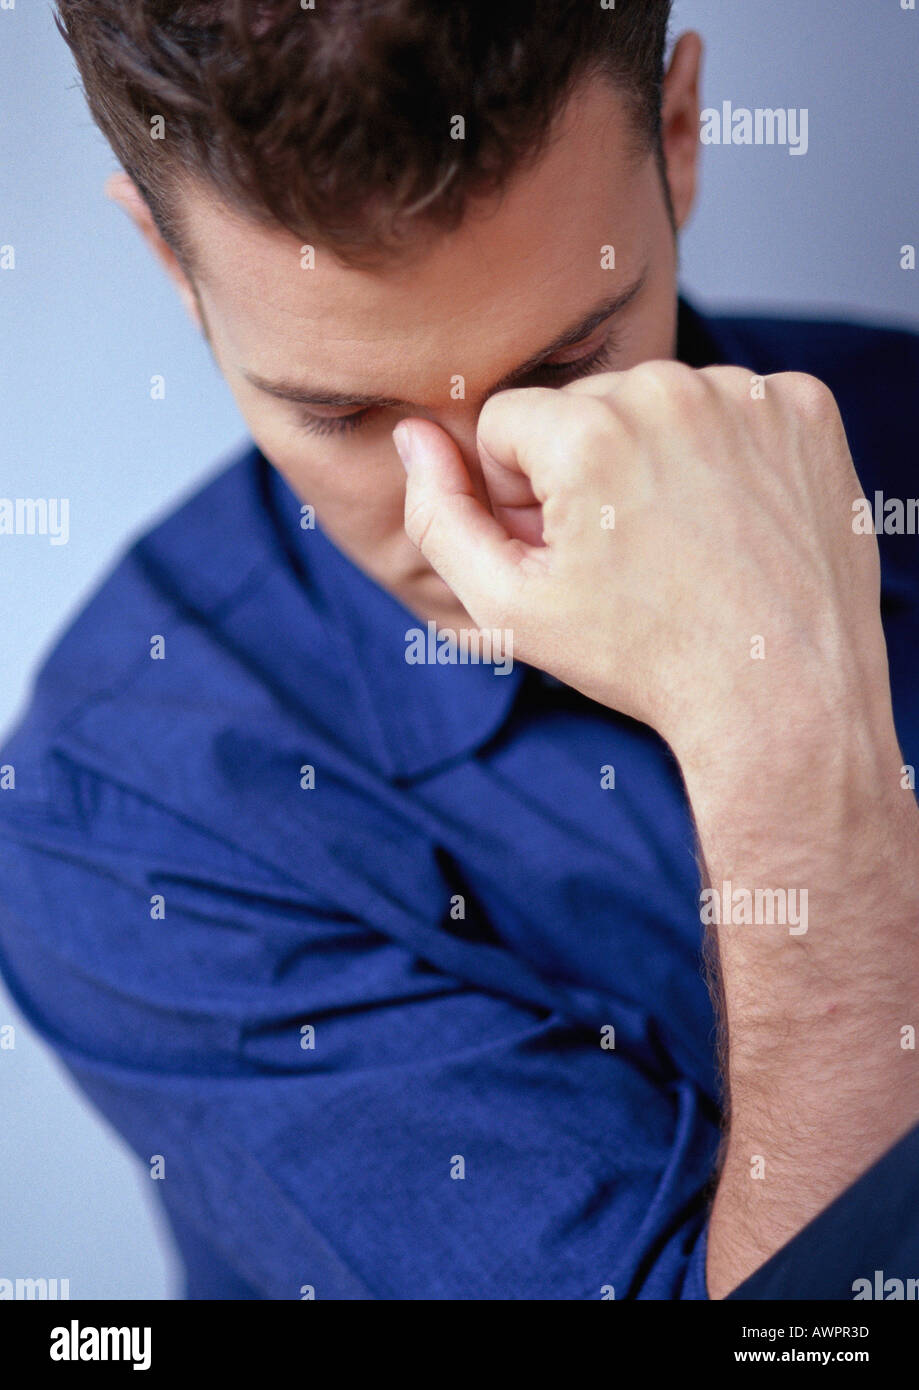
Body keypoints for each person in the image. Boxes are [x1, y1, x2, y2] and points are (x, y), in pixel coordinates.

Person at [1, 0, 918, 1301]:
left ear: (678, 131)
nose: (467, 511)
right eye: (339, 412)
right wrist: (792, 759)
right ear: (168, 259)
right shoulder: (116, 821)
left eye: (568, 360)